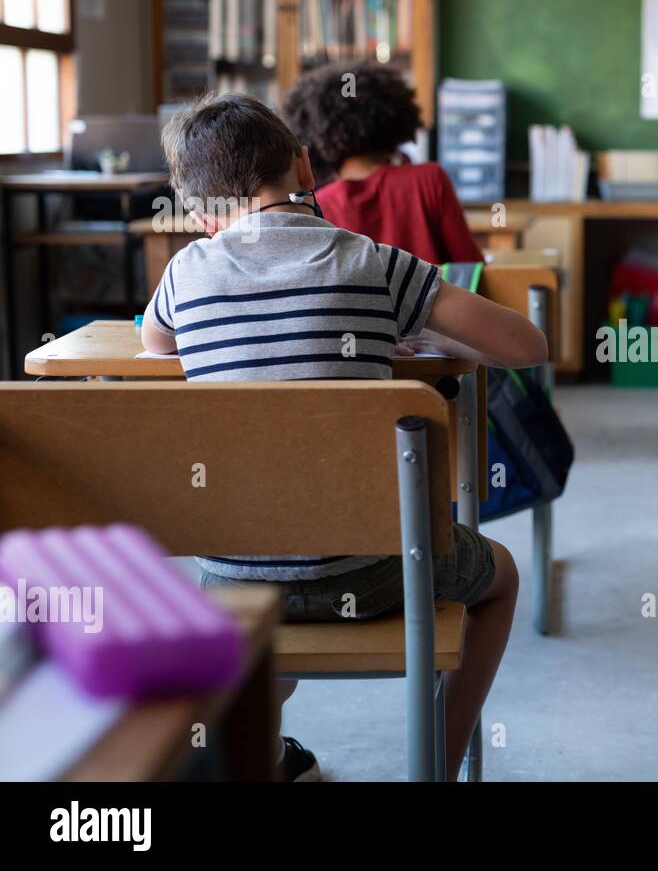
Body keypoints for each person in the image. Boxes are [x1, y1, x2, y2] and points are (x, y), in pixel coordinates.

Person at [143, 93, 547, 779]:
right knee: (502, 576)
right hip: (377, 570)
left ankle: (264, 760)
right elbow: (526, 345)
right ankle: (438, 765)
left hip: (232, 582)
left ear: (199, 210)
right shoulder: (375, 263)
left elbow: (156, 344)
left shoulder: (185, 274)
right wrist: (413, 324)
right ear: (303, 163)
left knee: (268, 591)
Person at [282, 60, 483, 263]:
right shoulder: (429, 180)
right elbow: (470, 267)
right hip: (434, 295)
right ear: (396, 118)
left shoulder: (319, 205)